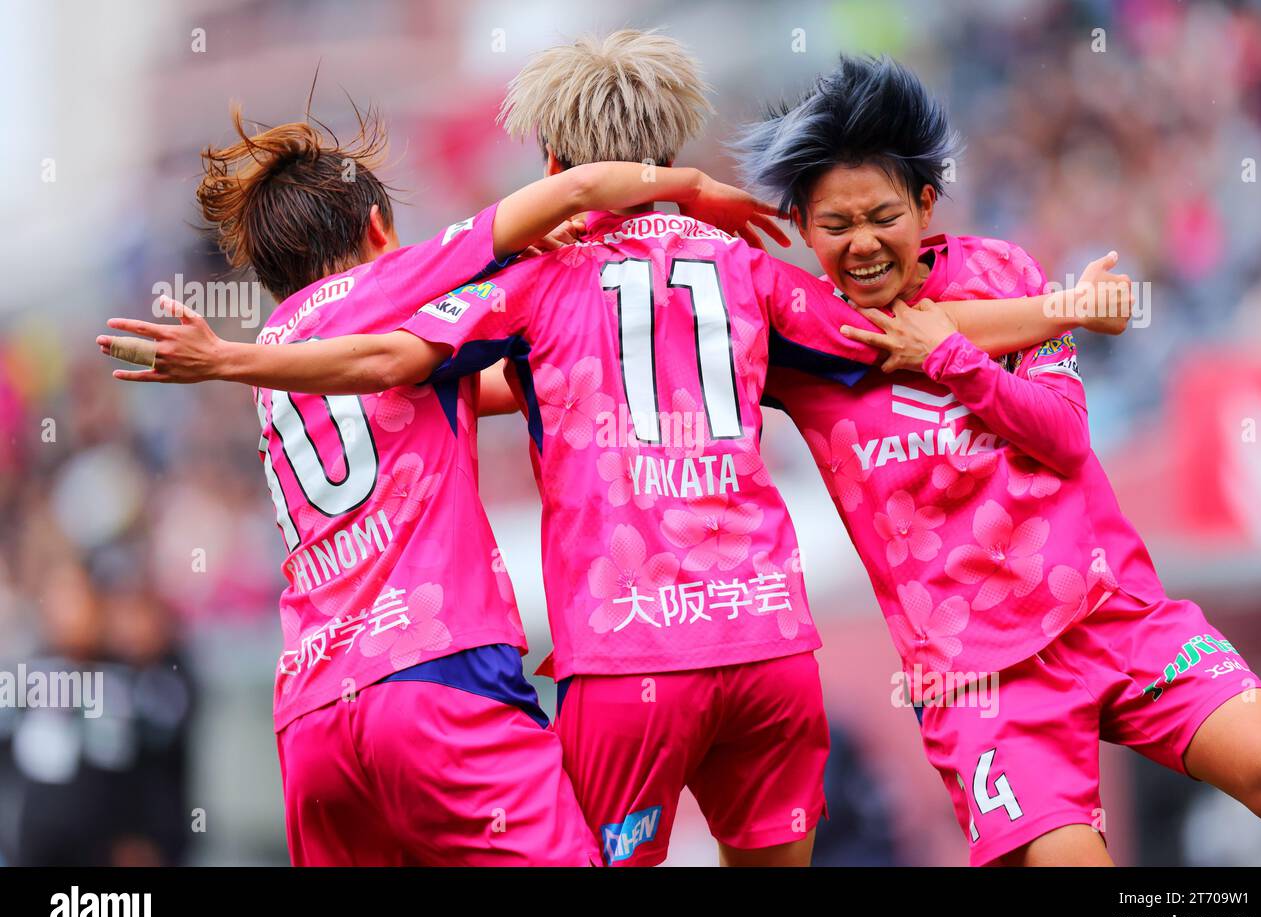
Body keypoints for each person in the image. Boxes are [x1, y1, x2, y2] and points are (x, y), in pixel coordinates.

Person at [108, 31, 1129, 867]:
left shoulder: (520, 286)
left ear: (556, 162)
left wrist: (231, 361)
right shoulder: (744, 268)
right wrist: (1058, 306)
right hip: (769, 644)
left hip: (612, 664)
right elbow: (893, 332)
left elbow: (401, 362)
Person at [101, 101, 784, 866]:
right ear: (377, 231)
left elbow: (477, 382)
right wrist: (691, 185)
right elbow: (574, 190)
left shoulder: (281, 361)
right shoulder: (391, 283)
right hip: (435, 677)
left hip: (313, 723)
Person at [735, 54, 1261, 865]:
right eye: (835, 225)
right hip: (983, 684)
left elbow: (1065, 437)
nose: (861, 243)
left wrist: (951, 355)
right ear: (801, 228)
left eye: (882, 215)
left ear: (926, 203)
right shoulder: (799, 339)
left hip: (1116, 616)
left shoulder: (1001, 273)